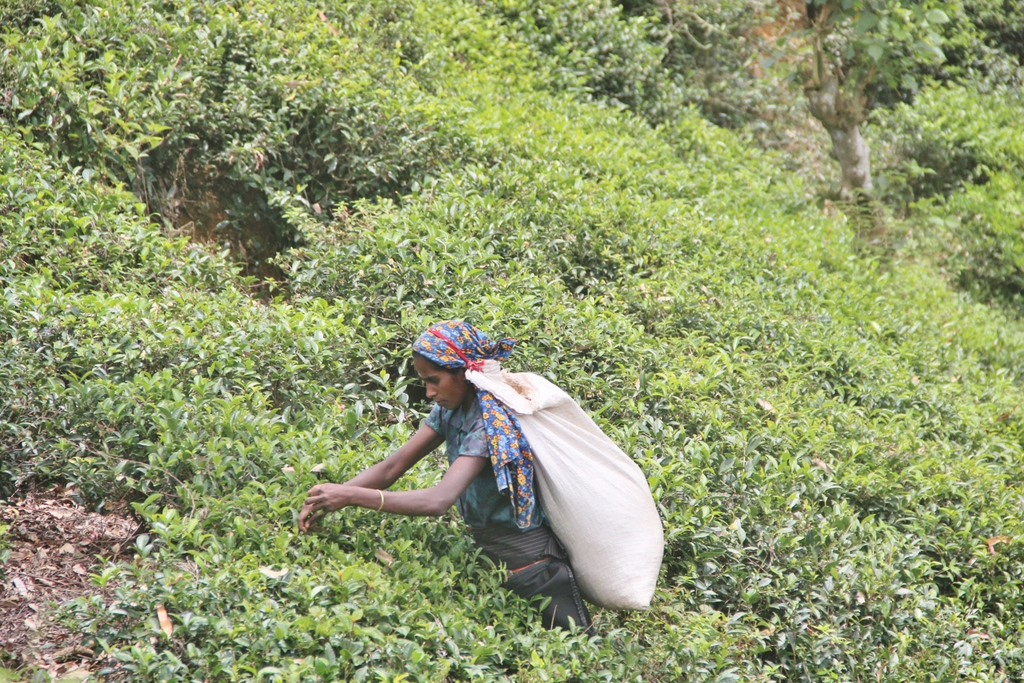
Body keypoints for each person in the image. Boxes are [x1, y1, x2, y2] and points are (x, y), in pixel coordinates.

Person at [298, 321, 591, 631]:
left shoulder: (489, 422)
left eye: (434, 380)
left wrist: (349, 496)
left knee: (579, 652)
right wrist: (327, 499)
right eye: (425, 382)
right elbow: (392, 467)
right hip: (488, 561)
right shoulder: (450, 410)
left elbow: (438, 501)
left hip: (535, 571)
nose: (429, 392)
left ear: (463, 374)